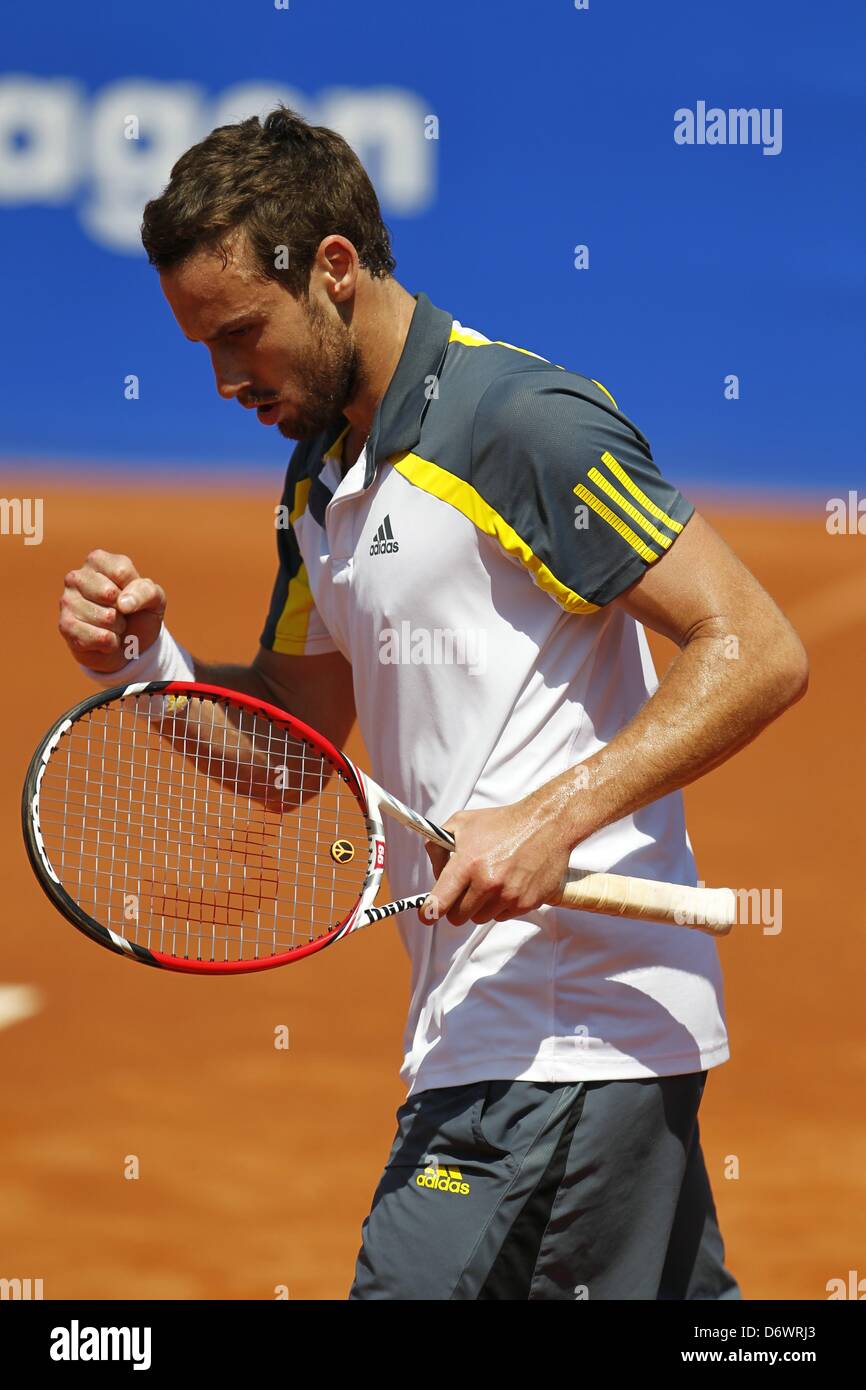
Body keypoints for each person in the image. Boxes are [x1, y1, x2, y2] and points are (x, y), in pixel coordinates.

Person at [58, 105, 808, 1300]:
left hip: (558, 1030)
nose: (222, 379)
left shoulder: (519, 423)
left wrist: (549, 818)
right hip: (500, 1037)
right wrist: (149, 666)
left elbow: (756, 646)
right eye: (201, 346)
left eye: (241, 332)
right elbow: (292, 748)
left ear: (335, 270)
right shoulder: (318, 481)